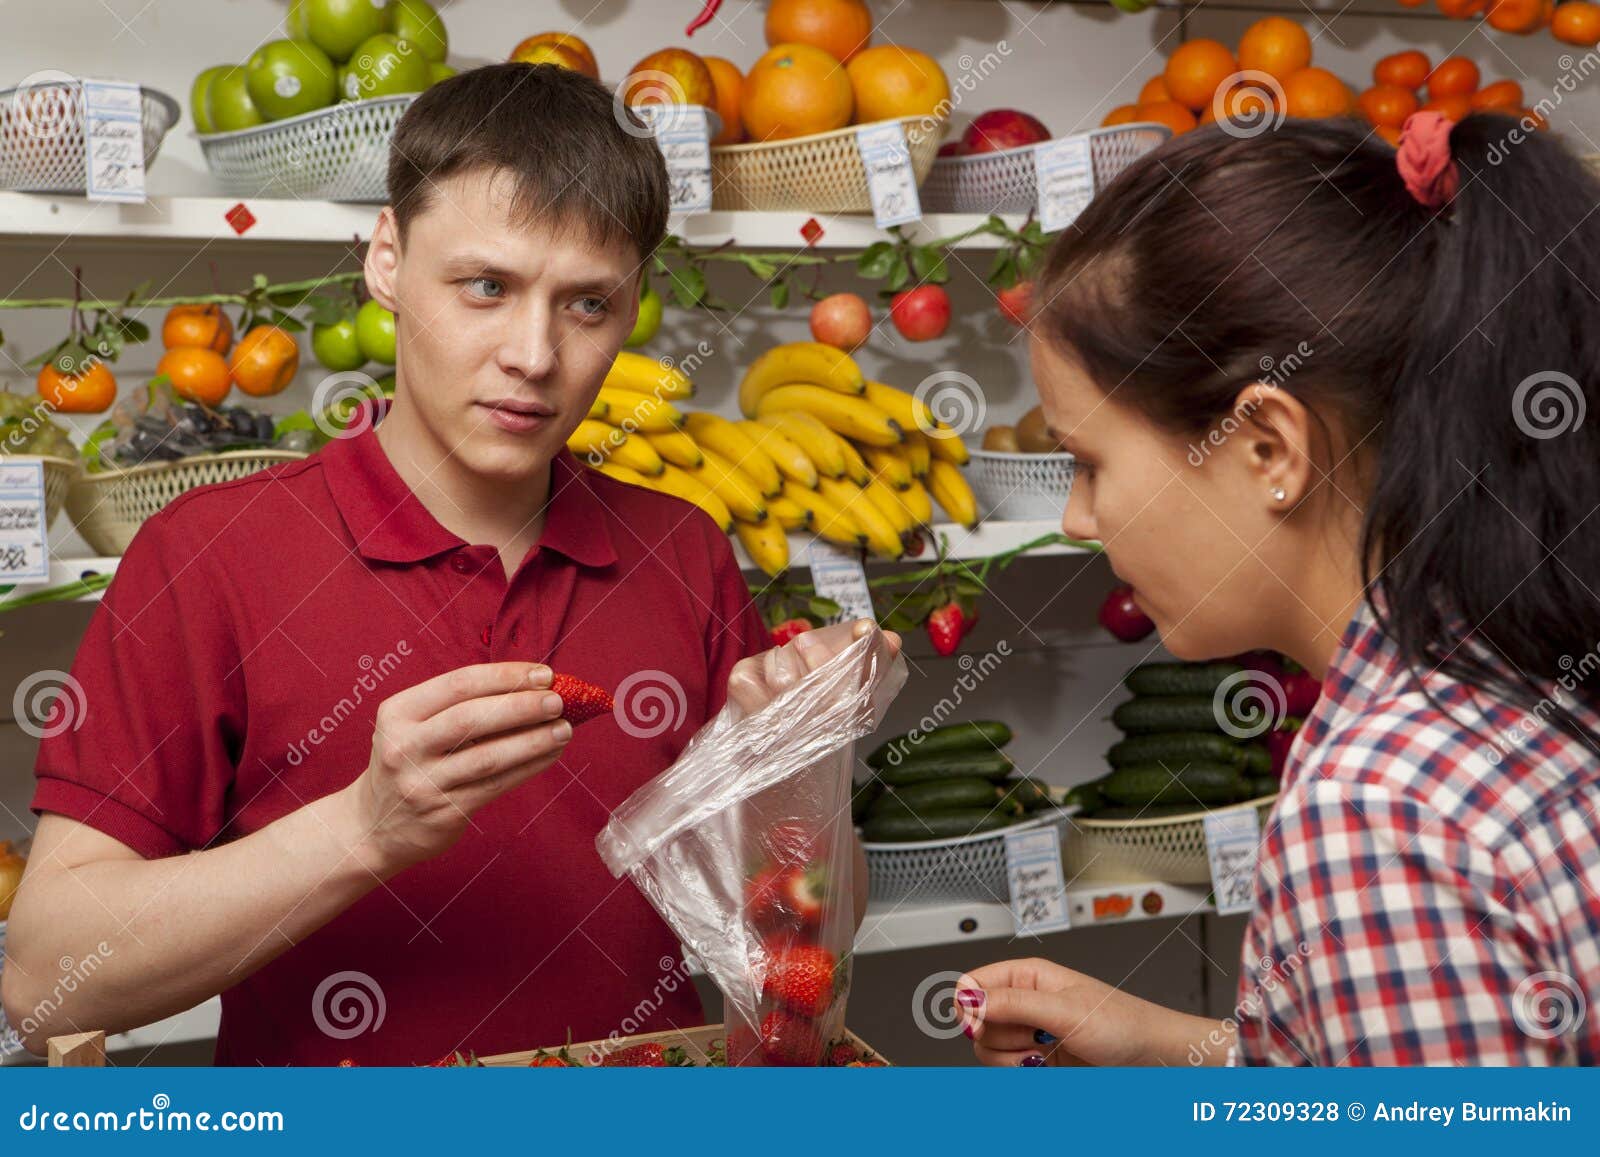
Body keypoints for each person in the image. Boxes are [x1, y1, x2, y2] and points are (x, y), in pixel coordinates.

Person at [2, 63, 883, 1065]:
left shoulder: (682, 548)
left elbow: (800, 937)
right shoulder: (206, 555)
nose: (533, 354)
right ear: (387, 257)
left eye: (587, 304)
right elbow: (43, 973)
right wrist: (366, 828)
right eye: (486, 286)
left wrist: (799, 773)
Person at [960, 112, 1600, 1066]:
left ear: (1268, 449)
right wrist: (1172, 1050)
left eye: (1087, 462)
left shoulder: (1379, 813)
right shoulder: (1513, 655)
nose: (1078, 520)